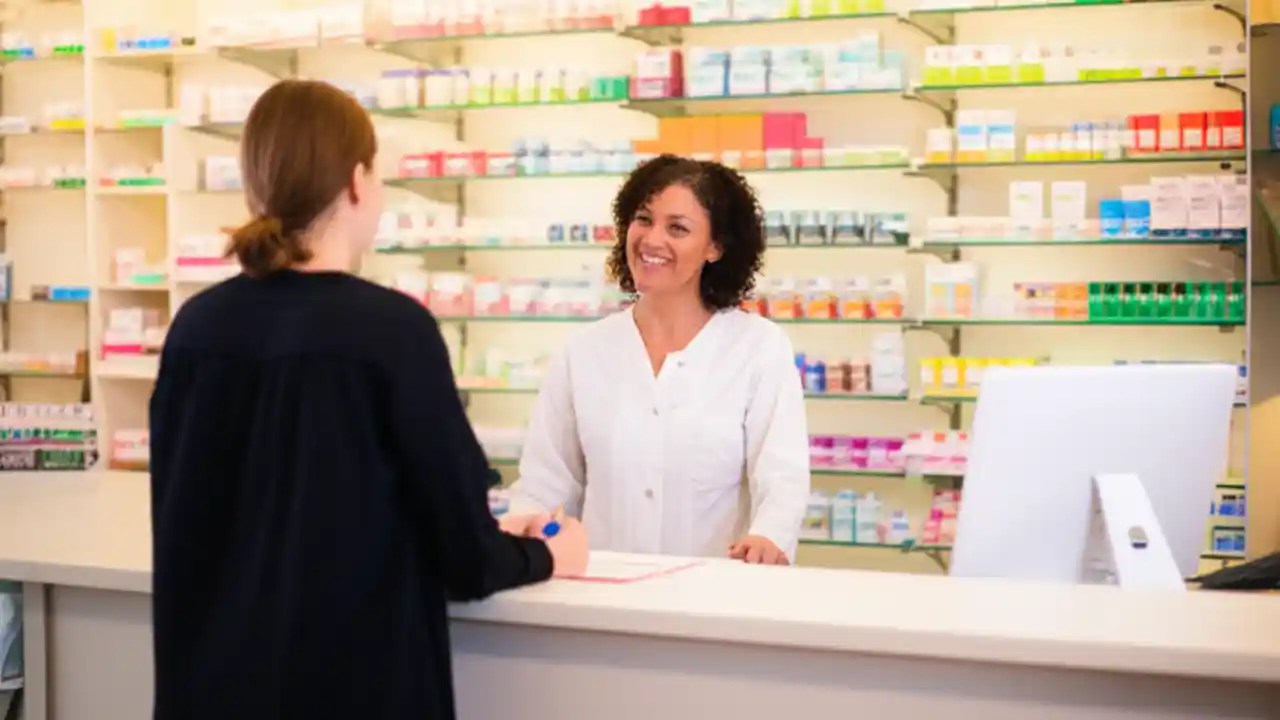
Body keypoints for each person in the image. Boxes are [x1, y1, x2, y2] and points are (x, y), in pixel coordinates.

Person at [148, 79, 587, 720]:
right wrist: (548, 554)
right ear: (358, 180)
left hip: (211, 692)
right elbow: (462, 560)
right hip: (352, 690)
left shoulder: (197, 328)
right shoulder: (389, 332)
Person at [503, 155, 809, 565]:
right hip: (600, 594)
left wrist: (767, 538)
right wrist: (525, 540)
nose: (651, 239)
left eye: (678, 228)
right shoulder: (584, 351)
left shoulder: (757, 347)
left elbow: (782, 477)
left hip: (716, 595)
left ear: (715, 247)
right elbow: (545, 483)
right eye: (644, 219)